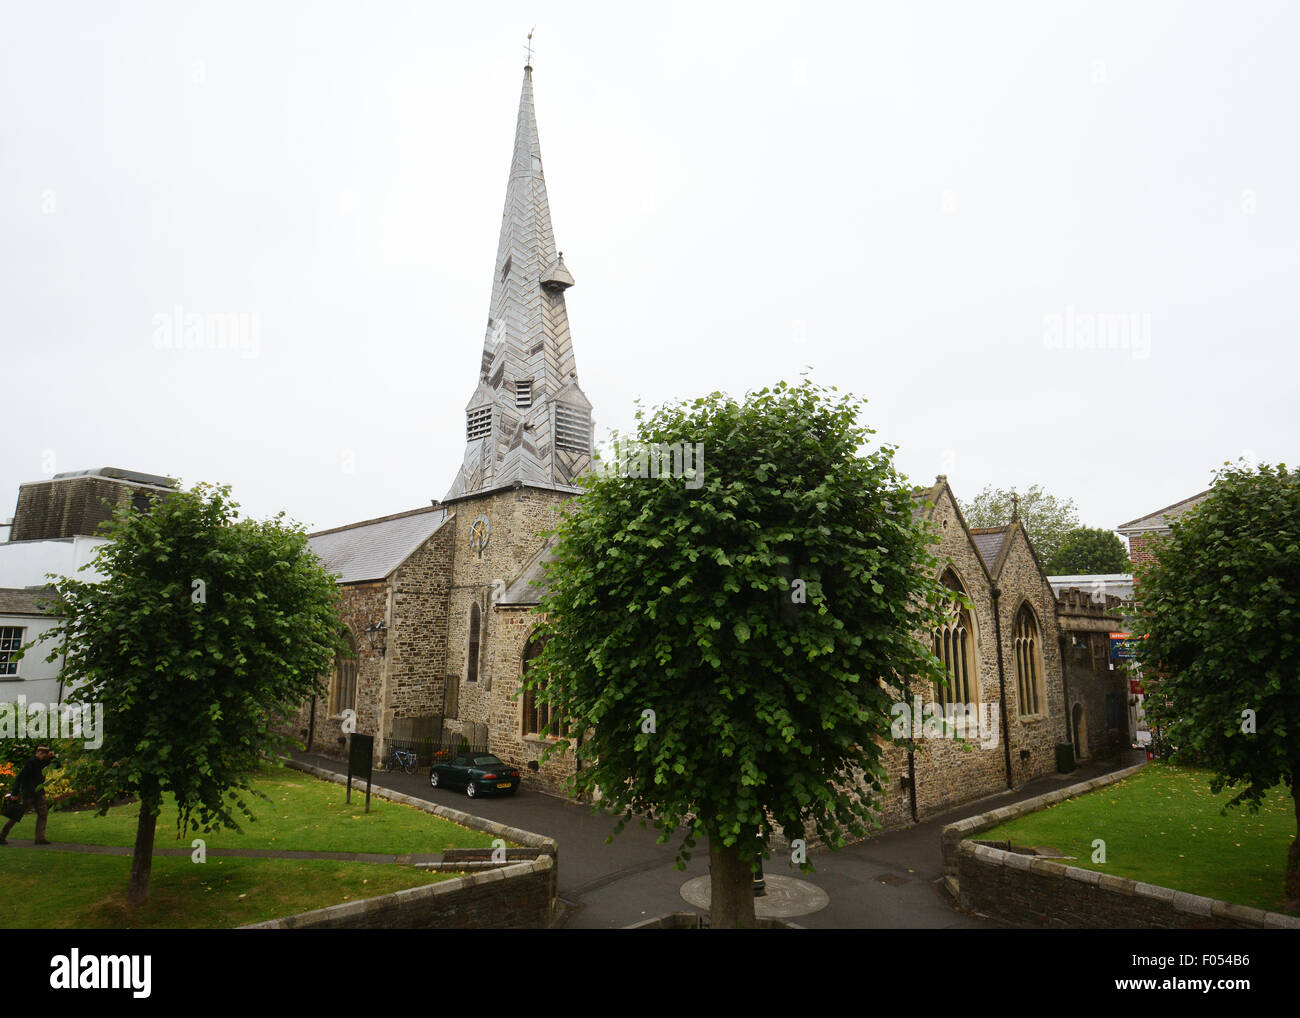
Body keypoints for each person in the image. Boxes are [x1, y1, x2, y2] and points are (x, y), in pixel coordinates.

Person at [0, 746, 56, 845]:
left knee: (43, 815)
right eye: (43, 754)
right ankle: (1, 836)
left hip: (39, 793)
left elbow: (57, 765)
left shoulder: (43, 762)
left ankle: (40, 838)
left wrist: (53, 757)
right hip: (29, 794)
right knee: (16, 815)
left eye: (45, 755)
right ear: (38, 752)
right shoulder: (30, 763)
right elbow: (19, 777)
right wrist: (14, 793)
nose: (44, 756)